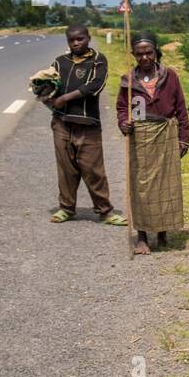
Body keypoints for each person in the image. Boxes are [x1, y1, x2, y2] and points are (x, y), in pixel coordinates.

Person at [44, 25, 126, 226]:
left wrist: (65, 98)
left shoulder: (97, 60)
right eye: (71, 40)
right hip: (62, 123)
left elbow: (94, 85)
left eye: (80, 39)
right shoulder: (59, 62)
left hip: (87, 124)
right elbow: (49, 83)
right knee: (66, 169)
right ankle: (66, 208)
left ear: (88, 38)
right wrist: (45, 93)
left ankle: (105, 211)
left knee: (93, 170)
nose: (76, 43)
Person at [116, 33, 189, 255]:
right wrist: (124, 123)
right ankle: (142, 236)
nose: (145, 57)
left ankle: (162, 233)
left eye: (148, 52)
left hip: (166, 134)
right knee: (142, 186)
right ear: (134, 55)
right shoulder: (128, 80)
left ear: (156, 51)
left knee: (165, 186)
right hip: (141, 136)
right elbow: (122, 108)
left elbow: (181, 108)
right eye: (139, 54)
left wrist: (184, 138)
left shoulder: (170, 76)